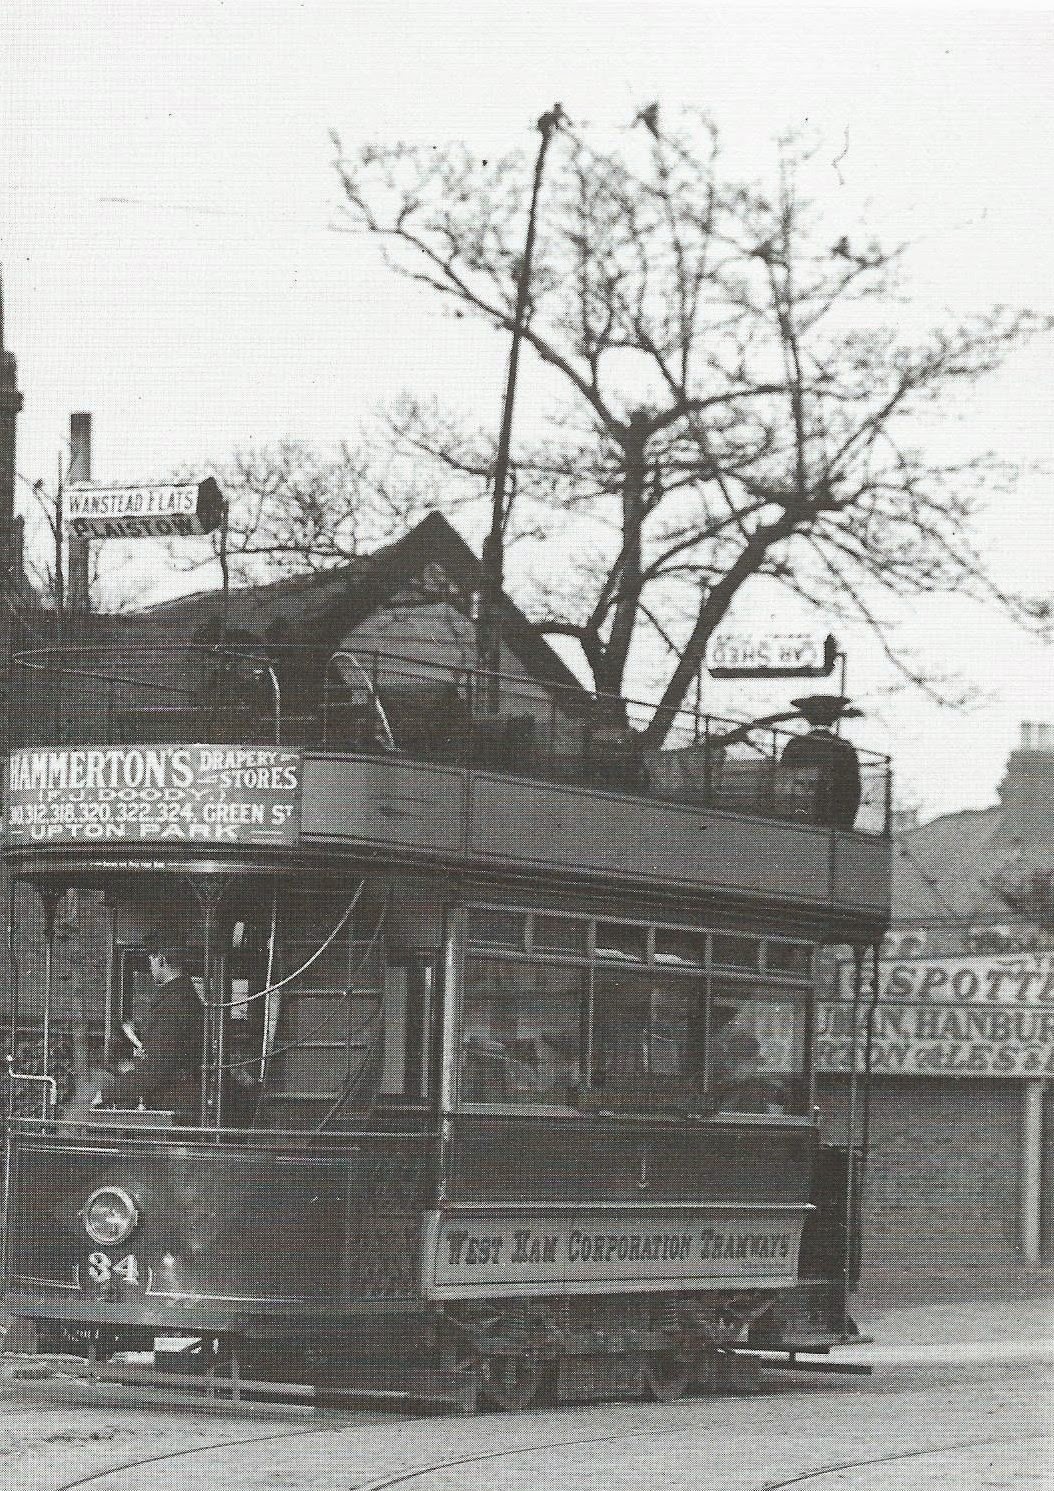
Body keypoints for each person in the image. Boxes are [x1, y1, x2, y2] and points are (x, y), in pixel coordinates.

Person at [104, 941, 204, 1120]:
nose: (150, 967)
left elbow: (156, 1070)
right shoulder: (183, 997)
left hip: (174, 1106)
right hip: (181, 1101)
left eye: (151, 960)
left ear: (161, 960)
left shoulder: (173, 1004)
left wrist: (108, 1093)